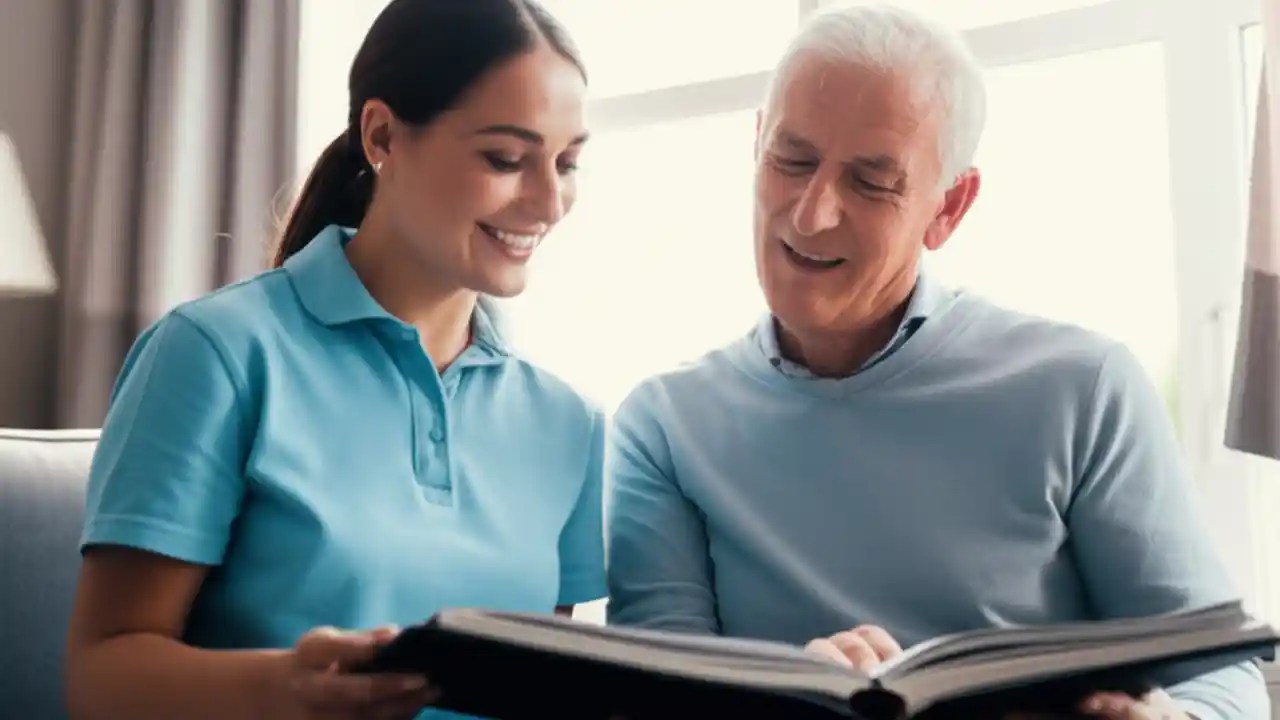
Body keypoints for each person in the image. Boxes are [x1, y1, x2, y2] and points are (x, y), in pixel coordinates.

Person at [603, 4, 1270, 719]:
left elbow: (1226, 679)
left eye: (871, 182)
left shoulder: (1083, 389)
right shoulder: (665, 427)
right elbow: (658, 702)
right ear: (756, 147)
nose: (811, 213)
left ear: (949, 207)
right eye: (791, 160)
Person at [64, 2, 603, 718]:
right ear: (382, 135)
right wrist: (286, 689)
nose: (549, 202)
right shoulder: (217, 355)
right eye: (505, 159)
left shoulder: (568, 424)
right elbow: (101, 678)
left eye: (566, 163)